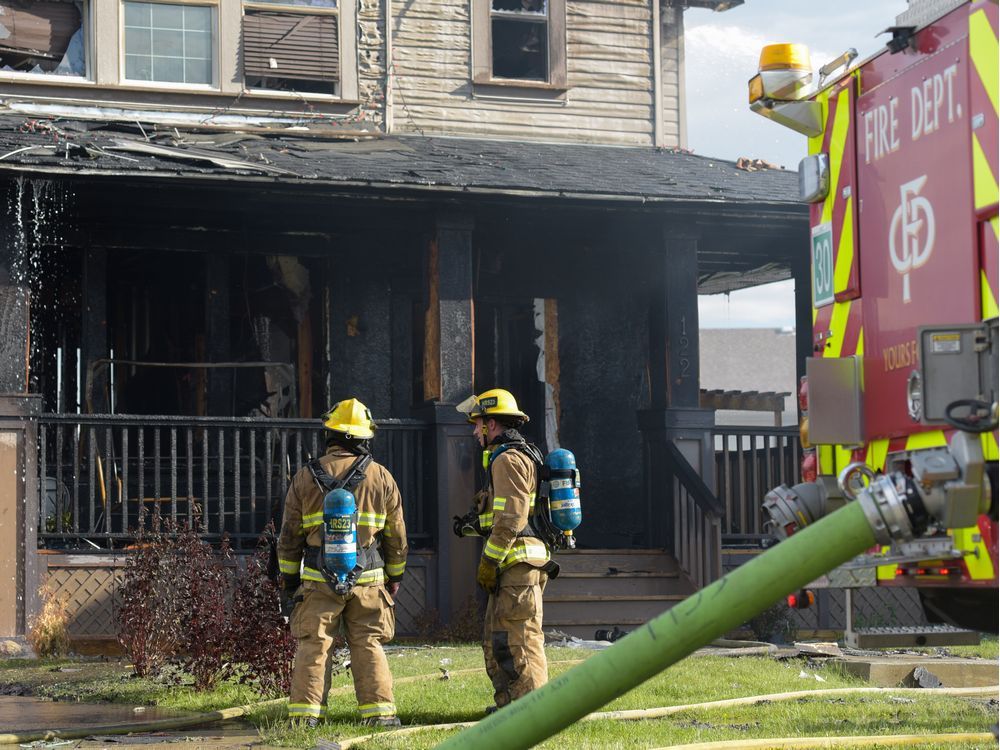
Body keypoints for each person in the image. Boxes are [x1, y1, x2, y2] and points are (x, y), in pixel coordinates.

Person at [276, 398, 408, 727]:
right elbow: (397, 538)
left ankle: (305, 719)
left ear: (330, 435)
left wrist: (290, 582)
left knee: (314, 645)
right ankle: (380, 715)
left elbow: (289, 538)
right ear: (365, 438)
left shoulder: (305, 478)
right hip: (369, 581)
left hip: (318, 581)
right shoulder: (381, 477)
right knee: (368, 643)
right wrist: (394, 576)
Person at [455, 388, 557, 713]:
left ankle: (534, 711)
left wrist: (488, 562)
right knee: (499, 641)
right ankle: (509, 707)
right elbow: (498, 515)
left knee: (520, 640)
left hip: (516, 566)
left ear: (492, 424)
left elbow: (512, 518)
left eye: (477, 424)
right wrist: (469, 524)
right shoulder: (508, 458)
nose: (474, 431)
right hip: (512, 568)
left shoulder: (508, 459)